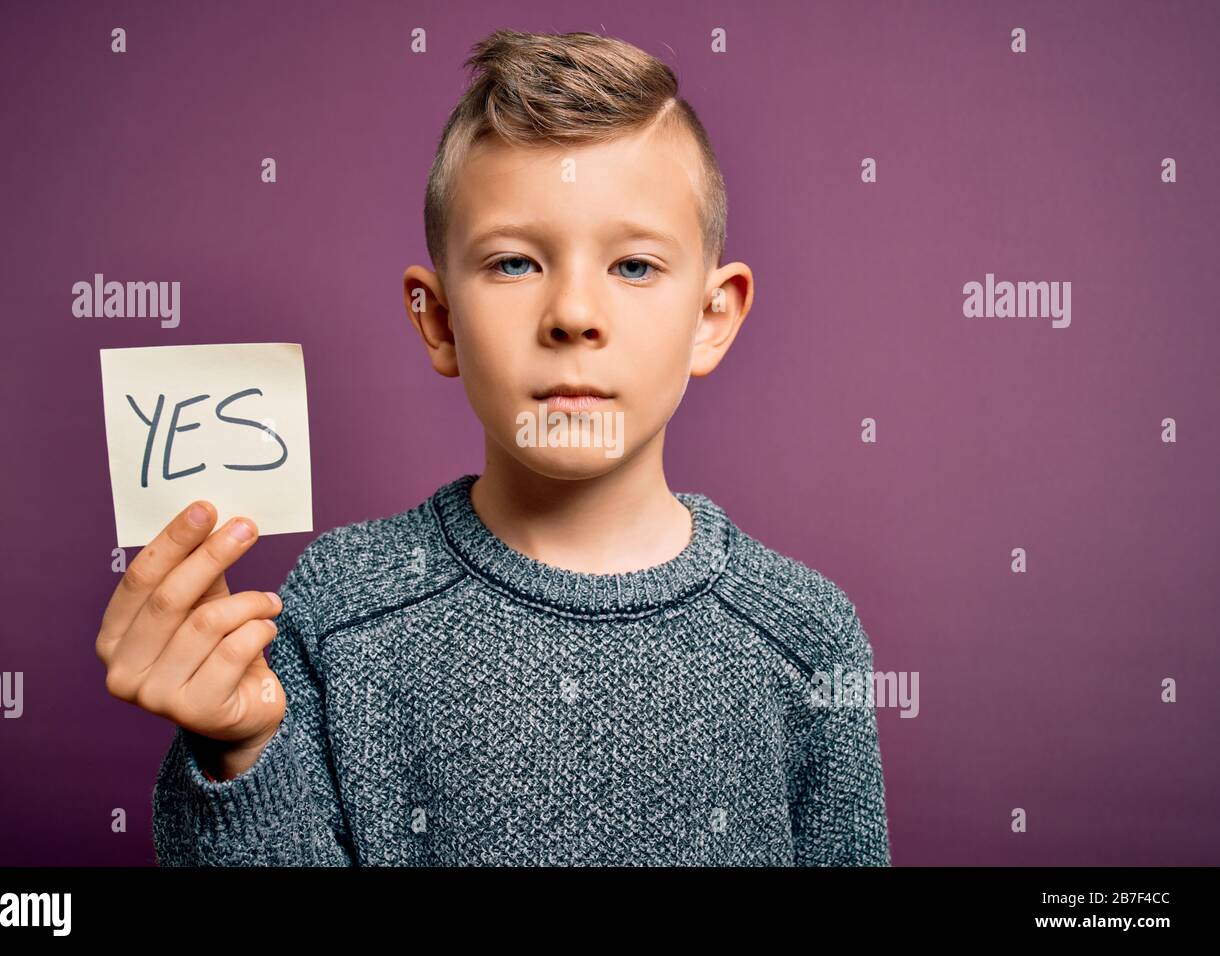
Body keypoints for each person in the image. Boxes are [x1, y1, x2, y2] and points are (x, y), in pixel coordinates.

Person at [96, 28, 892, 866]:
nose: (574, 314)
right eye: (514, 263)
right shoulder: (336, 609)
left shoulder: (805, 634)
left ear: (711, 316)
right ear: (438, 319)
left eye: (633, 266)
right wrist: (239, 756)